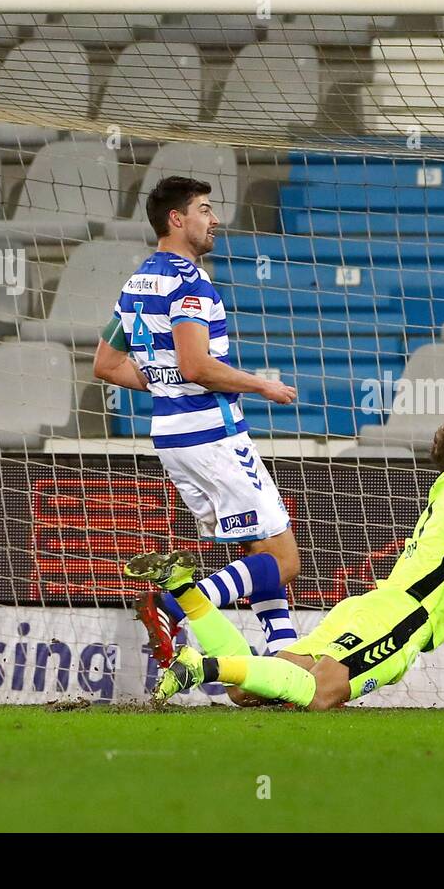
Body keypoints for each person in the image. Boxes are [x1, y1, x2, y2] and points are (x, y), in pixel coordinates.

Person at [146, 415, 444, 711]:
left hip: (372, 608)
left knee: (248, 689)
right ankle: (201, 667)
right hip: (404, 618)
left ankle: (188, 595)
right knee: (322, 694)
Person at [93, 175, 301, 665]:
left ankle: (284, 656)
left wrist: (162, 381)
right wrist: (262, 385)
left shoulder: (138, 282)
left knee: (257, 549)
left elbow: (106, 363)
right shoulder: (190, 283)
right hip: (212, 433)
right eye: (204, 209)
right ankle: (169, 604)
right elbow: (197, 366)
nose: (214, 220)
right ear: (176, 219)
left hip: (171, 433)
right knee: (284, 560)